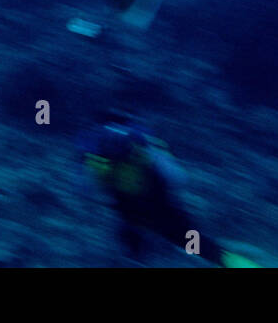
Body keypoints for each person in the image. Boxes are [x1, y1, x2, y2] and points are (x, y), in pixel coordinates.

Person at [81, 114, 260, 267]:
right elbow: (179, 178)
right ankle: (233, 262)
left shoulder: (96, 153)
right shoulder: (140, 142)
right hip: (165, 211)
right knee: (204, 249)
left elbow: (85, 190)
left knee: (134, 257)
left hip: (131, 217)